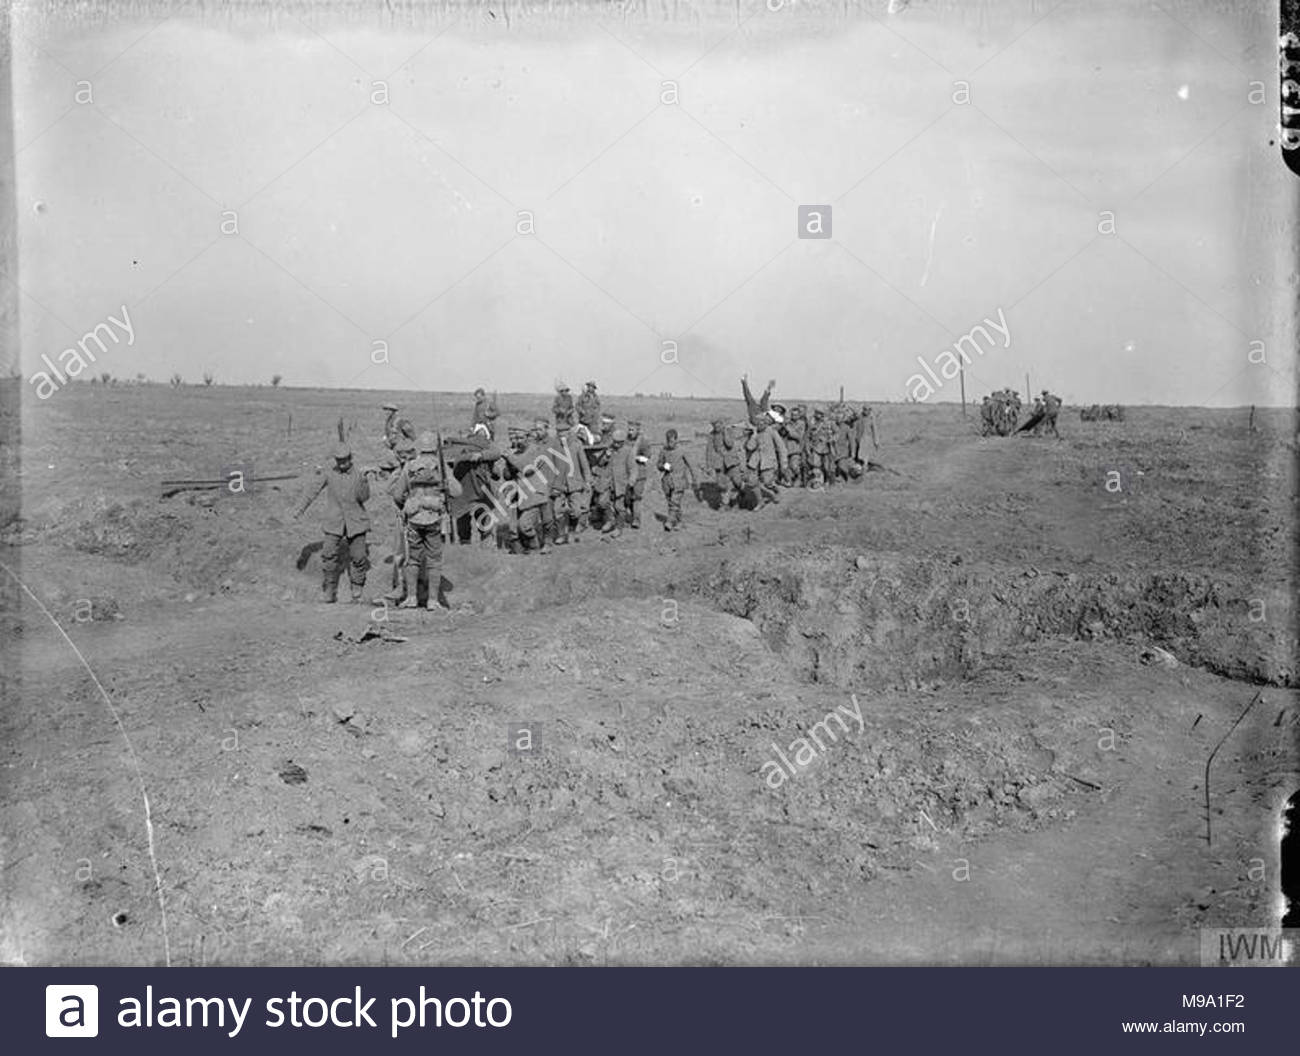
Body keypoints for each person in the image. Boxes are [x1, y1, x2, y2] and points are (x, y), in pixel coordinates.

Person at [388, 431, 462, 607]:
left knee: (412, 559)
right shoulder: (440, 467)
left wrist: (409, 504)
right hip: (434, 519)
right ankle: (433, 600)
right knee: (434, 561)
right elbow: (457, 492)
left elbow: (397, 494)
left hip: (413, 518)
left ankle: (412, 598)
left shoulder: (409, 466)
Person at [294, 442, 372, 604]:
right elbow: (312, 490)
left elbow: (364, 497)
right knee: (328, 554)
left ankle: (357, 590)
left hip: (356, 521)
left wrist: (364, 482)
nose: (342, 463)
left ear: (351, 458)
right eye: (338, 460)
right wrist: (299, 509)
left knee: (358, 556)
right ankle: (329, 590)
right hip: (334, 521)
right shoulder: (329, 473)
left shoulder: (358, 474)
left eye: (345, 460)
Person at [550, 420, 591, 544]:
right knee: (557, 510)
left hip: (575, 483)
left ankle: (573, 532)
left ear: (569, 433)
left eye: (565, 434)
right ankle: (561, 534)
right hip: (559, 484)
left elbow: (584, 465)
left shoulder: (576, 445)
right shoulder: (553, 447)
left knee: (576, 511)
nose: (562, 436)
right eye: (559, 434)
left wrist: (587, 481)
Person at [657, 429, 698, 531]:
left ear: (676, 440)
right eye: (668, 441)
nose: (670, 444)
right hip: (667, 482)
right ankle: (679, 522)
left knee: (674, 502)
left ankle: (669, 522)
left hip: (679, 481)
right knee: (672, 503)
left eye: (672, 441)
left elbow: (691, 466)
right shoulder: (664, 451)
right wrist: (663, 466)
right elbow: (658, 464)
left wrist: (695, 480)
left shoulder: (682, 451)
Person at [705, 418, 744, 507]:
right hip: (719, 461)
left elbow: (729, 444)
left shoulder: (729, 431)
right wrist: (709, 466)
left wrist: (725, 432)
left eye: (719, 424)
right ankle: (725, 503)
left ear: (722, 424)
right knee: (721, 484)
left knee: (737, 481)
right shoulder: (711, 435)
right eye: (714, 425)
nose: (717, 427)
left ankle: (741, 491)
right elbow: (709, 450)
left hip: (731, 460)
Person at [622, 419, 652, 529]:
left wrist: (640, 458)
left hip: (639, 473)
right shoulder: (625, 439)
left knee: (637, 497)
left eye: (632, 430)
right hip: (627, 474)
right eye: (629, 429)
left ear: (638, 430)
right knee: (627, 497)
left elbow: (648, 456)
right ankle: (627, 516)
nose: (630, 432)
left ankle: (636, 520)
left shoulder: (643, 441)